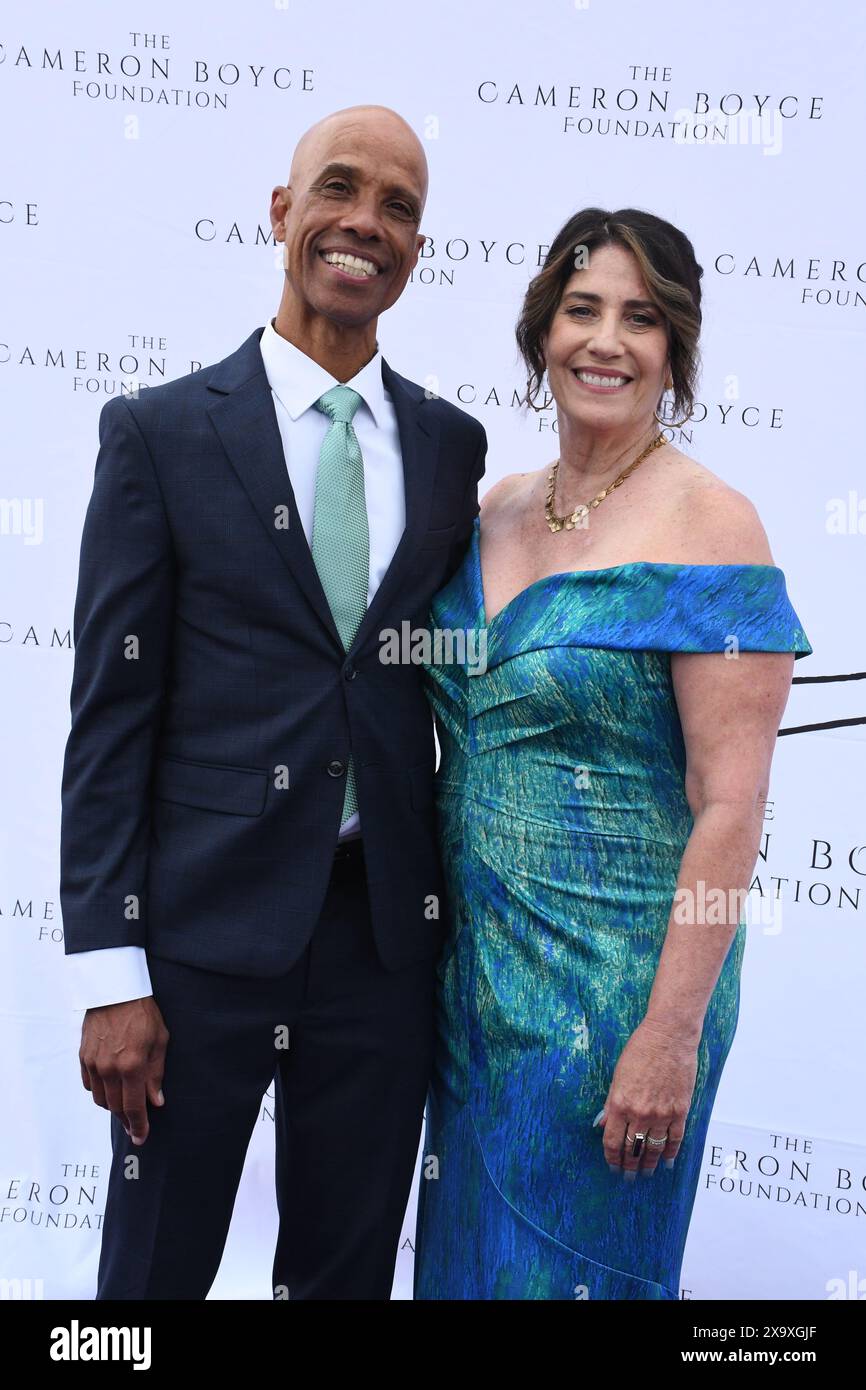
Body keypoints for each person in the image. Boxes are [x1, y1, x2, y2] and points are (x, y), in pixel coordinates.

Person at [59, 104, 486, 1300]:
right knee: (149, 1279)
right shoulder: (158, 433)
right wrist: (111, 972)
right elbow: (107, 719)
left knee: (342, 1275)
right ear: (280, 212)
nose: (365, 221)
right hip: (198, 940)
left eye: (399, 206)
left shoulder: (452, 449)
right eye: (339, 189)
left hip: (381, 946)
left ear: (416, 245)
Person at [413, 208, 812, 1300]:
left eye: (640, 319)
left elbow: (727, 806)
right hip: (476, 992)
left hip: (618, 1004)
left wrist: (667, 1033)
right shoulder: (491, 511)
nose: (605, 340)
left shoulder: (712, 527)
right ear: (540, 331)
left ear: (674, 350)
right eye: (581, 309)